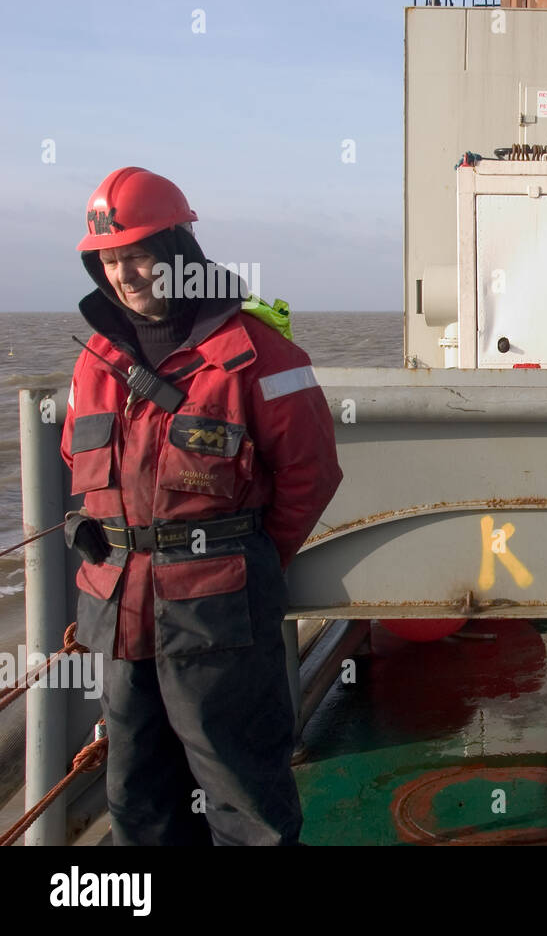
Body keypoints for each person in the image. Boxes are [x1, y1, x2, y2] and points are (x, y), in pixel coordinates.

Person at [60, 166, 343, 845]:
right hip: (121, 617)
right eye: (110, 260)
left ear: (179, 251)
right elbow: (77, 461)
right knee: (137, 799)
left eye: (137, 255)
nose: (125, 274)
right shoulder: (94, 360)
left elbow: (310, 474)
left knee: (244, 800)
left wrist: (236, 559)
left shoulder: (260, 354)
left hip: (220, 618)